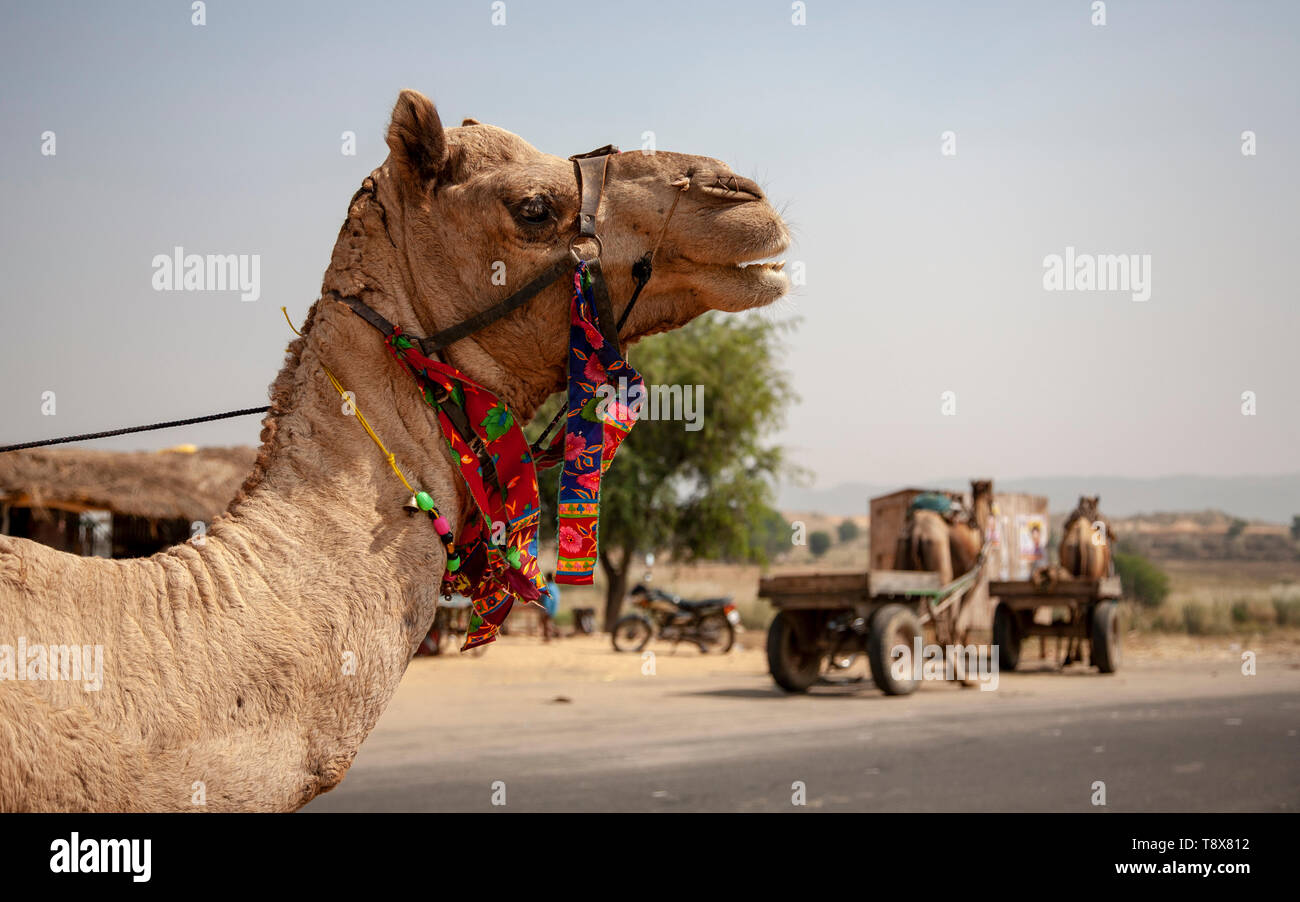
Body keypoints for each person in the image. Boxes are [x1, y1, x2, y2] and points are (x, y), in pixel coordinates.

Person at [541, 571, 560, 642]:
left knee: (546, 622)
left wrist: (545, 608)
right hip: (553, 607)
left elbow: (547, 599)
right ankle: (550, 635)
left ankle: (549, 637)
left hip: (548, 607)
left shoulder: (548, 587)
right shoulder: (555, 587)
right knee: (548, 622)